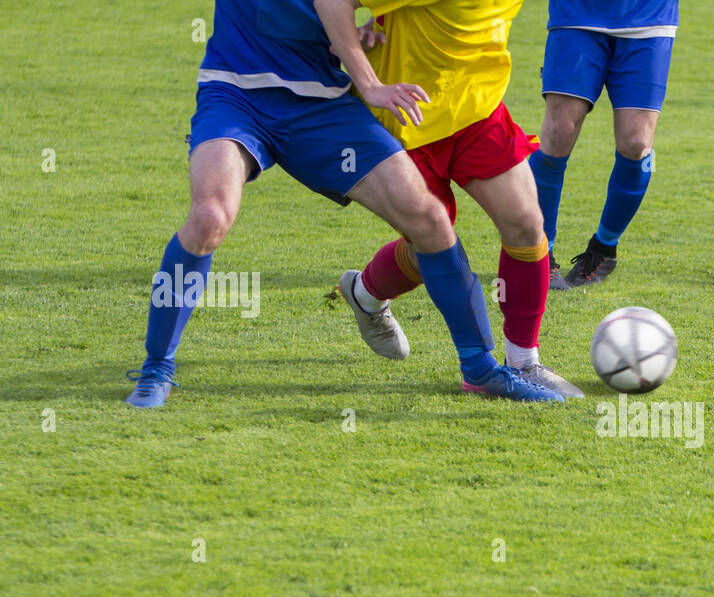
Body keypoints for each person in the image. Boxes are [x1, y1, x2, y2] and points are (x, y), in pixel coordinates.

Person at [126, 0, 562, 408]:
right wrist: (369, 82)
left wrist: (367, 27)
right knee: (209, 218)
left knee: (428, 219)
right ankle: (156, 367)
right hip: (236, 95)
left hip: (322, 103)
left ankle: (481, 369)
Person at [338, 0, 583, 398]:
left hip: (477, 110)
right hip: (407, 118)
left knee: (525, 223)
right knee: (431, 247)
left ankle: (524, 362)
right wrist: (360, 62)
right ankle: (365, 293)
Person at [528, 0, 678, 290]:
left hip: (650, 19)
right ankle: (539, 253)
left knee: (637, 144)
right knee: (559, 132)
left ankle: (604, 248)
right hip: (577, 17)